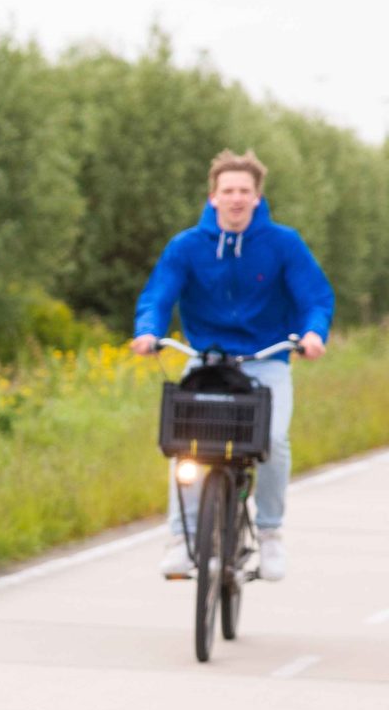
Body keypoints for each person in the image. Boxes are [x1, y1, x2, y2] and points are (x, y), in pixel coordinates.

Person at [131, 149, 332, 582]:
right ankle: (181, 537)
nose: (236, 198)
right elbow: (158, 295)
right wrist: (148, 331)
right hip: (206, 361)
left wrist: (313, 333)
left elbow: (314, 298)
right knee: (184, 443)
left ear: (257, 197)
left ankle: (270, 532)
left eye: (244, 191)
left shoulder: (283, 244)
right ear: (213, 196)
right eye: (228, 191)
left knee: (273, 441)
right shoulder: (187, 246)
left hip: (265, 362)